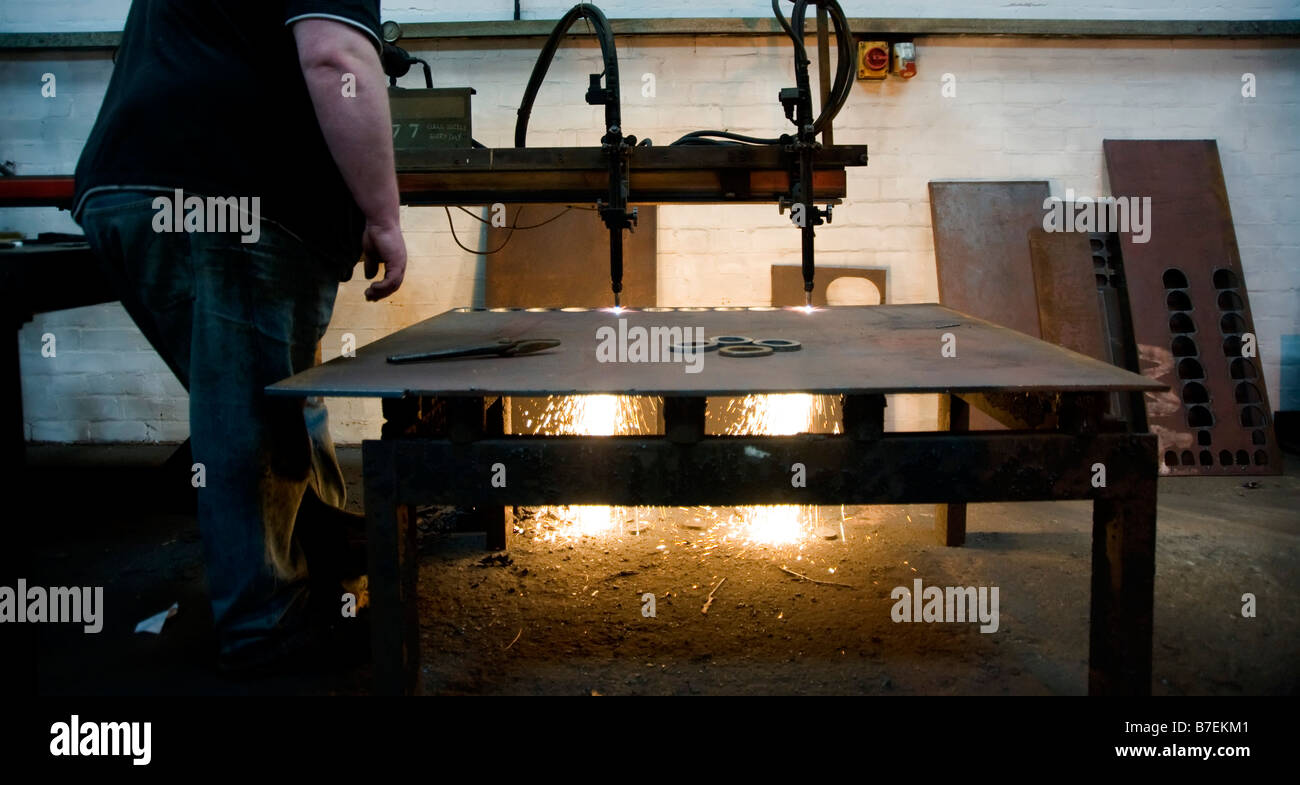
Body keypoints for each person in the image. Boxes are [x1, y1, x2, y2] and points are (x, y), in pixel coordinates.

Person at [72, 0, 407, 673]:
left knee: (272, 397)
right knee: (251, 422)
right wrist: (383, 212)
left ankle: (321, 566)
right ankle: (269, 631)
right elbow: (336, 58)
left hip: (124, 190)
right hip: (228, 199)